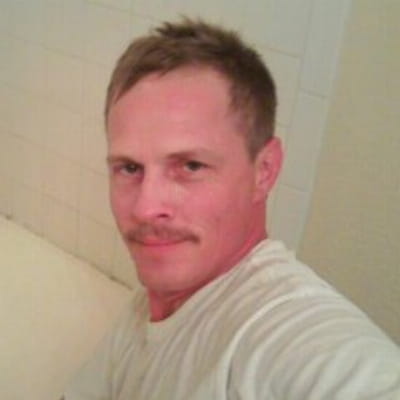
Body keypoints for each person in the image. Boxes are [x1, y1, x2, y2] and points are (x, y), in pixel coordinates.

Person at [63, 19, 400, 399]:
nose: (145, 208)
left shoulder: (288, 335)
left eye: (191, 166)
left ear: (264, 171)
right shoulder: (146, 309)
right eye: (129, 168)